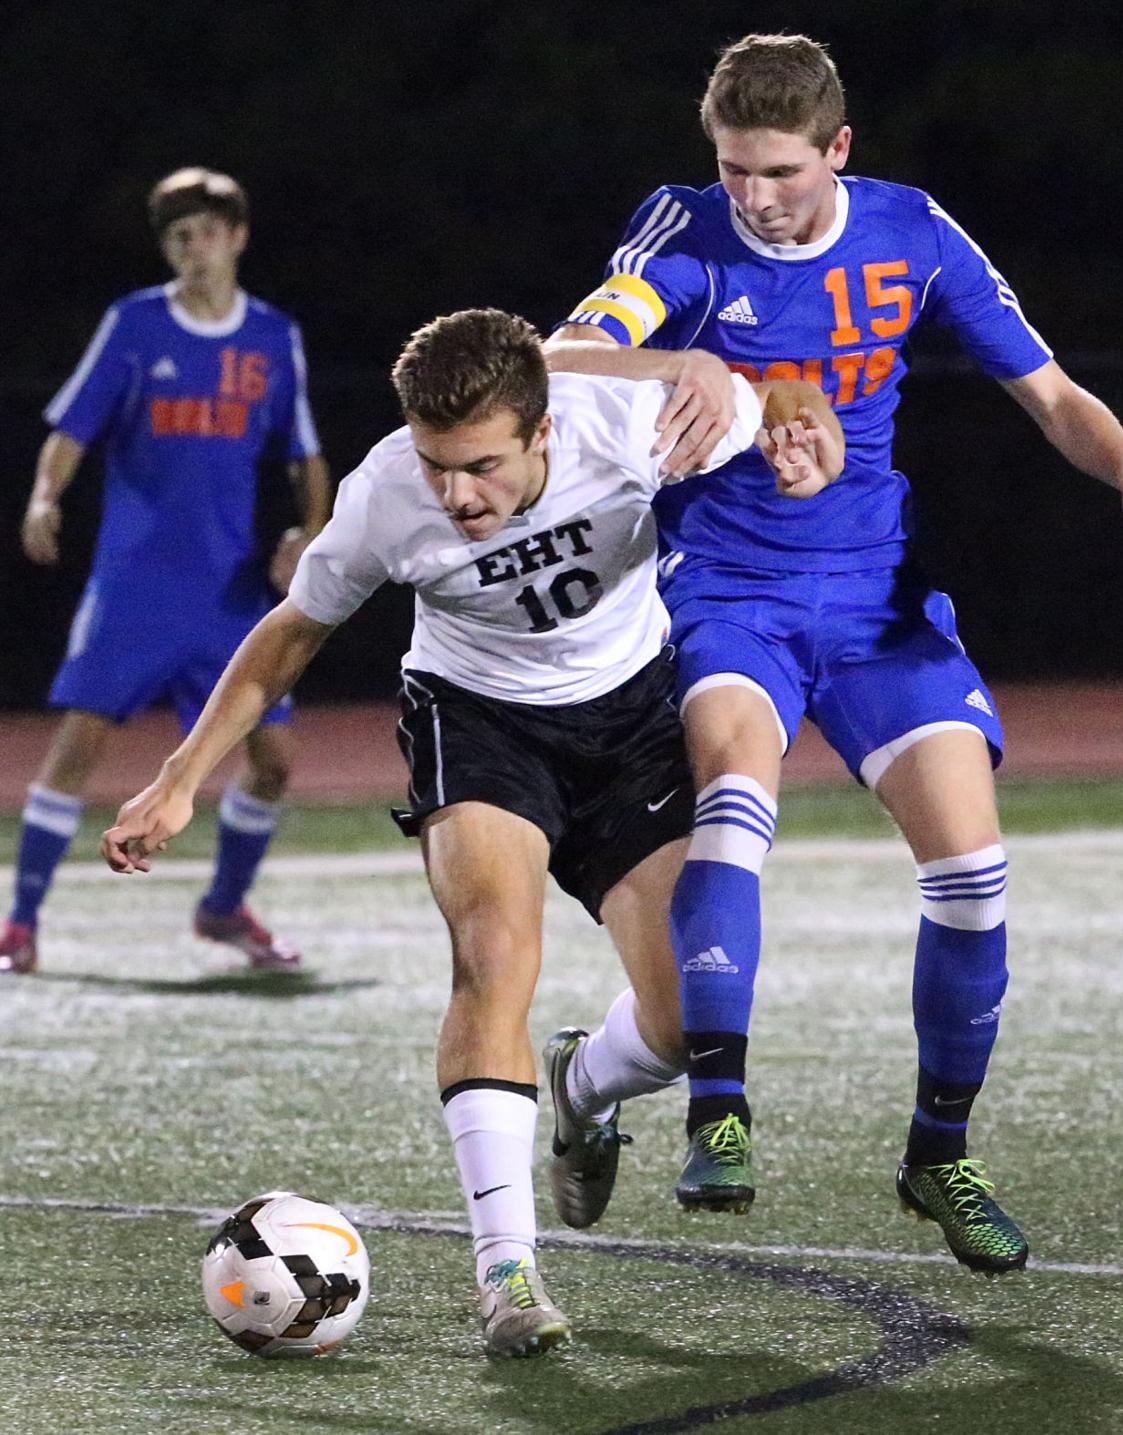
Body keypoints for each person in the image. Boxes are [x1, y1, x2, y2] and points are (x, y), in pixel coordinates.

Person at [545, 32, 1123, 1273]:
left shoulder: (912, 232)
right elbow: (560, 352)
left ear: (838, 150)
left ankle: (938, 1152)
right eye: (734, 167)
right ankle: (717, 1111)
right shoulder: (683, 231)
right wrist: (678, 356)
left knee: (974, 872)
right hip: (724, 591)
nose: (753, 195)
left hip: (874, 599)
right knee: (738, 801)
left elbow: (1051, 393)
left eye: (780, 171)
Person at [100, 307, 842, 1355]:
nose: (456, 494)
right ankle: (508, 1274)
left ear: (546, 430)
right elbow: (288, 636)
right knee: (494, 953)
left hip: (631, 717)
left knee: (685, 1019)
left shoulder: (630, 420)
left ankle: (583, 1082)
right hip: (479, 720)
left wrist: (807, 436)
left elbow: (787, 405)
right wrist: (181, 778)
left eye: (482, 465)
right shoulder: (383, 495)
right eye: (438, 463)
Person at [1, 167, 331, 975]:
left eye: (209, 231)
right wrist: (46, 494)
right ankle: (20, 925)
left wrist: (310, 533)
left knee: (276, 761)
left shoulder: (272, 337)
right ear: (168, 248)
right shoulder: (135, 326)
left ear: (238, 238)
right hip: (134, 586)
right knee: (76, 750)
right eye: (180, 235)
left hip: (230, 596)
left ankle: (222, 909)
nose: (196, 247)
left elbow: (307, 455)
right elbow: (73, 427)